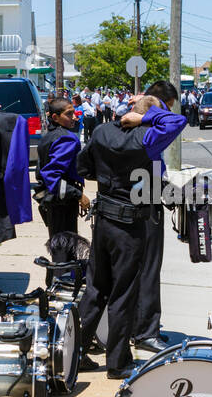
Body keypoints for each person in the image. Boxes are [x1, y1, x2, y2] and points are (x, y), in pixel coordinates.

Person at [77, 94, 187, 378]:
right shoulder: (147, 138)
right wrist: (146, 118)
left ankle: (74, 352)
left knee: (95, 289)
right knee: (123, 294)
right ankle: (118, 362)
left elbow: (83, 166)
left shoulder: (102, 131)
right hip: (129, 223)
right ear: (147, 116)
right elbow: (178, 120)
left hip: (103, 219)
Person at [132, 78, 184, 353]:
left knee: (132, 270)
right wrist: (154, 107)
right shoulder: (150, 124)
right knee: (149, 269)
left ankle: (132, 326)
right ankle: (147, 331)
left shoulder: (123, 119)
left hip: (124, 200)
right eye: (168, 107)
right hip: (145, 199)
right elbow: (177, 122)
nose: (169, 113)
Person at [35, 97, 89, 282]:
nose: (74, 117)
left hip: (55, 200)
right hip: (61, 202)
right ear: (55, 117)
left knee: (62, 247)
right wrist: (78, 195)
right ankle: (60, 289)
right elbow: (51, 174)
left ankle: (60, 285)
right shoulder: (66, 138)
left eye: (74, 112)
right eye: (69, 114)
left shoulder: (49, 136)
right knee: (63, 251)